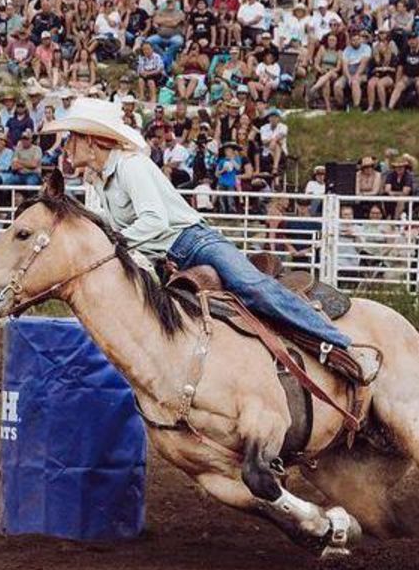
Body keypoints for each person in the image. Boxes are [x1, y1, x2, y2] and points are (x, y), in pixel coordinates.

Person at [43, 98, 380, 384]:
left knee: (253, 286)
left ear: (92, 140)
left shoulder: (131, 166)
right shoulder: (96, 182)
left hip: (191, 242)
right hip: (160, 258)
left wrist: (113, 247)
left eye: (71, 138)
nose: (65, 147)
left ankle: (341, 344)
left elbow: (154, 221)